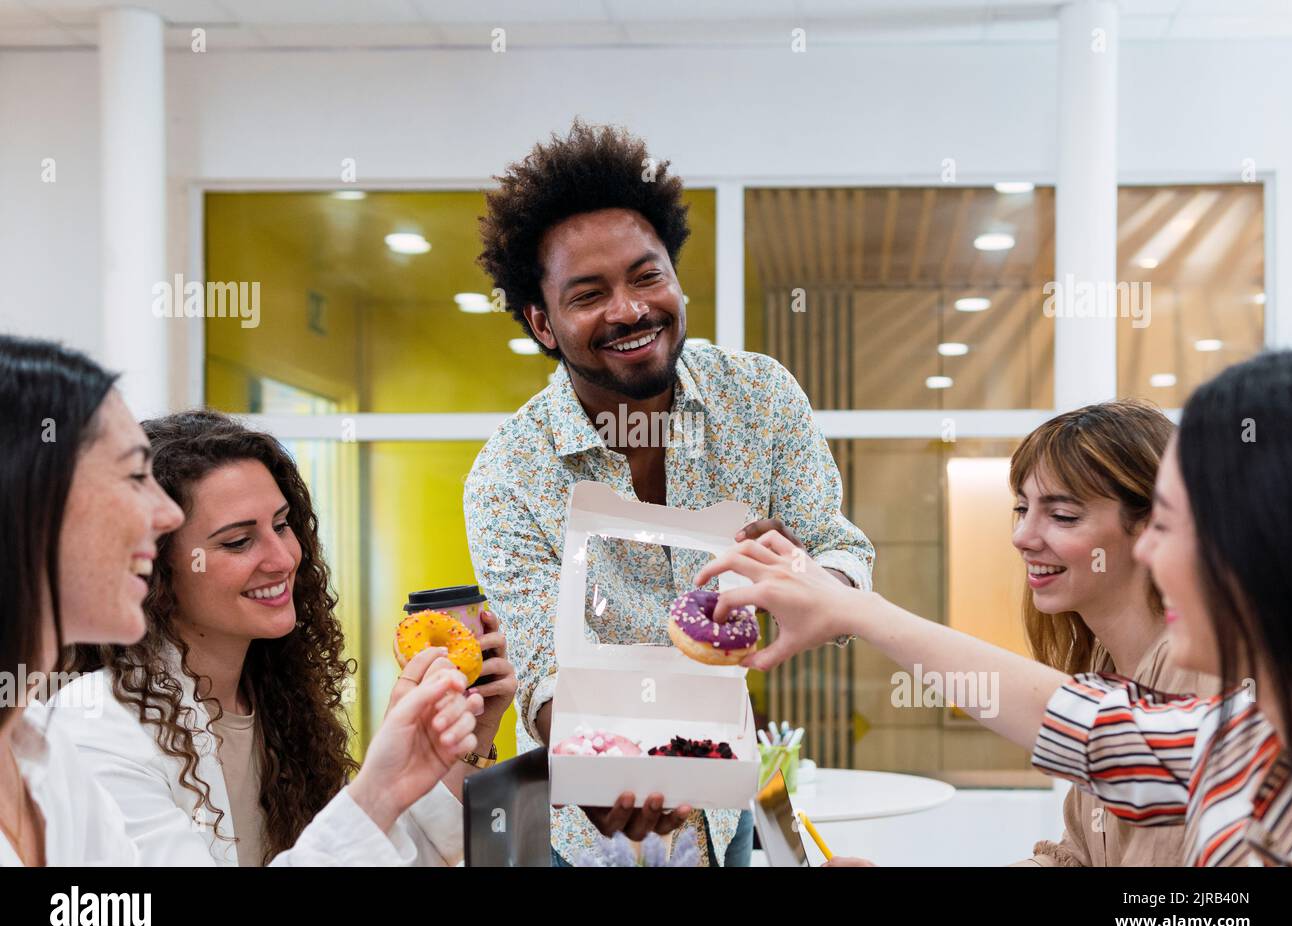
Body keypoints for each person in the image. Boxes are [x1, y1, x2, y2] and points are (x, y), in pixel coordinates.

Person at [697, 351, 1292, 867]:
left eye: (1170, 525)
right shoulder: (1227, 744)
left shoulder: (1226, 729)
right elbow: (1085, 739)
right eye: (1023, 509)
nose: (1153, 551)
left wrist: (856, 608)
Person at [465, 119, 875, 866]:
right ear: (542, 324)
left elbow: (839, 548)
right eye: (587, 294)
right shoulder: (507, 476)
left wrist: (810, 583)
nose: (628, 310)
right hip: (589, 830)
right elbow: (540, 668)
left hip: (731, 811)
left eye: (647, 276)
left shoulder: (759, 397)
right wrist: (604, 765)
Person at [0, 336, 478, 866]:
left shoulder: (39, 754)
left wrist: (433, 757)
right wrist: (375, 793)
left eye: (282, 525)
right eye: (132, 478)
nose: (159, 515)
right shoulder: (89, 729)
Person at [1005, 401, 1216, 866]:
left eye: (1062, 516)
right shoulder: (1103, 661)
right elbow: (1077, 857)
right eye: (1022, 508)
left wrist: (865, 615)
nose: (1023, 535)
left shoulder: (1201, 672)